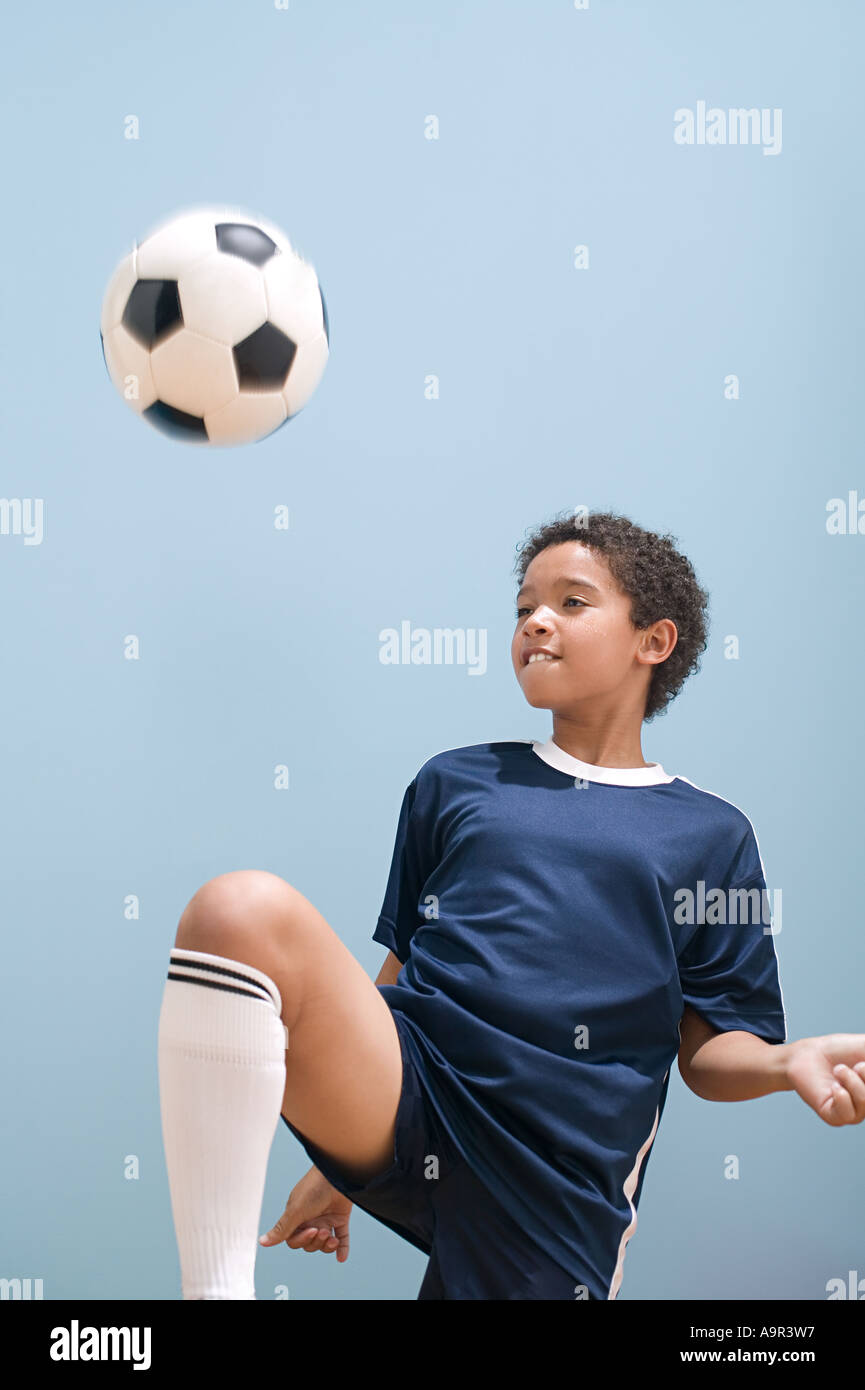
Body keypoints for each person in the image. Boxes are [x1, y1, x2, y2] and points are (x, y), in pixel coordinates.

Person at [157, 509, 865, 1300]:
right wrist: (337, 1164)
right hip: (415, 1096)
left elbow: (707, 1054)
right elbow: (396, 980)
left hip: (552, 1179)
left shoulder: (713, 834)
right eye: (523, 606)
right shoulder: (454, 782)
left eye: (571, 602)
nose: (534, 621)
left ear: (652, 641)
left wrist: (783, 1060)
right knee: (237, 910)